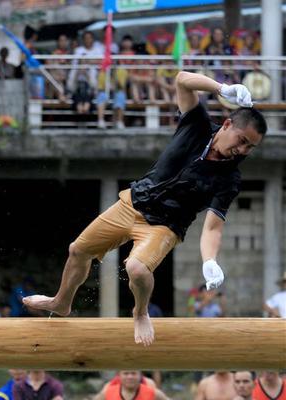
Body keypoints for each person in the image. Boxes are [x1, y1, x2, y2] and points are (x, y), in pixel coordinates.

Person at [23, 70, 266, 346]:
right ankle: (61, 302)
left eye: (251, 147)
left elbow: (212, 226)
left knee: (137, 269)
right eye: (242, 140)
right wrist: (221, 88)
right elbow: (182, 79)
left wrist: (209, 260)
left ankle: (140, 312)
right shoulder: (197, 124)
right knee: (78, 250)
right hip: (132, 202)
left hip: (164, 226)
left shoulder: (230, 179)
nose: (243, 150)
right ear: (226, 125)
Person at [93, 371, 168, 400]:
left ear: (140, 375)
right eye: (126, 373)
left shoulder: (151, 390)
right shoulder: (108, 390)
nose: (130, 377)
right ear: (119, 376)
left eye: (133, 373)